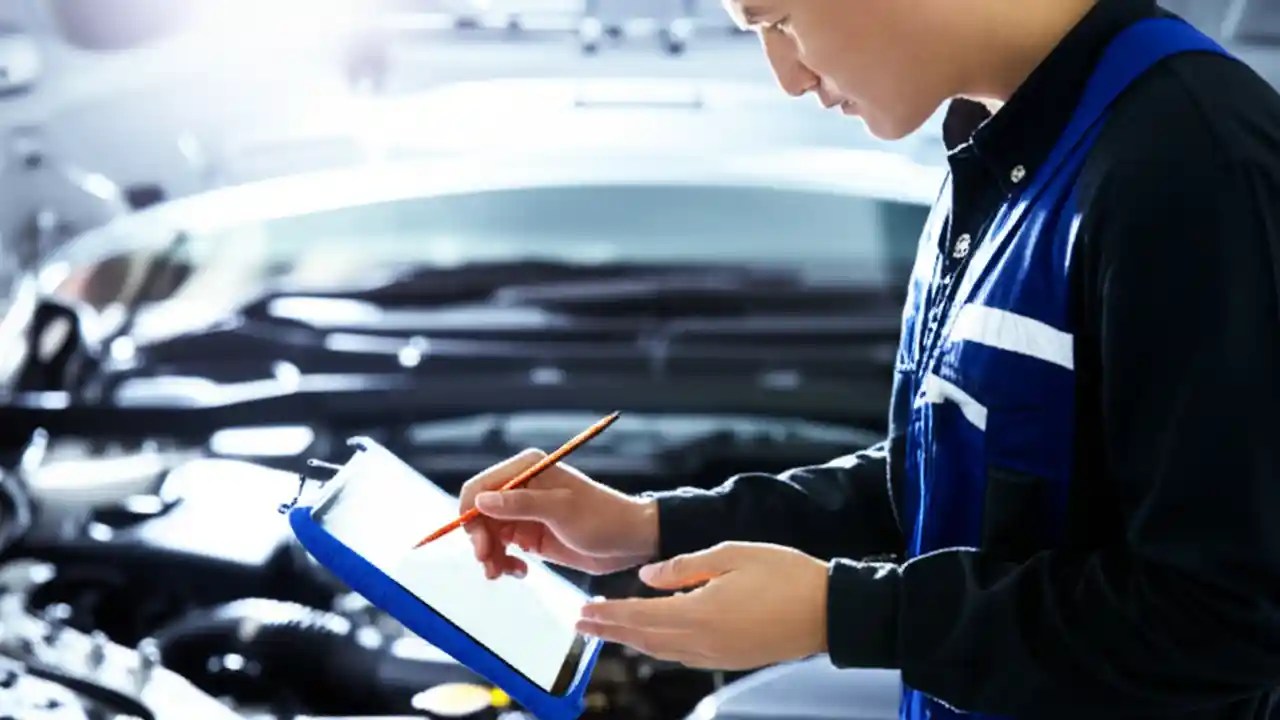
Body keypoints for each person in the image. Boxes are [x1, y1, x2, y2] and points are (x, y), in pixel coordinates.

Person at [458, 1, 1280, 718]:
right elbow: (948, 475)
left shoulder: (1193, 166)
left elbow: (1227, 615)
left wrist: (844, 613)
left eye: (778, 20)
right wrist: (652, 527)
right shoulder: (995, 154)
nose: (785, 77)